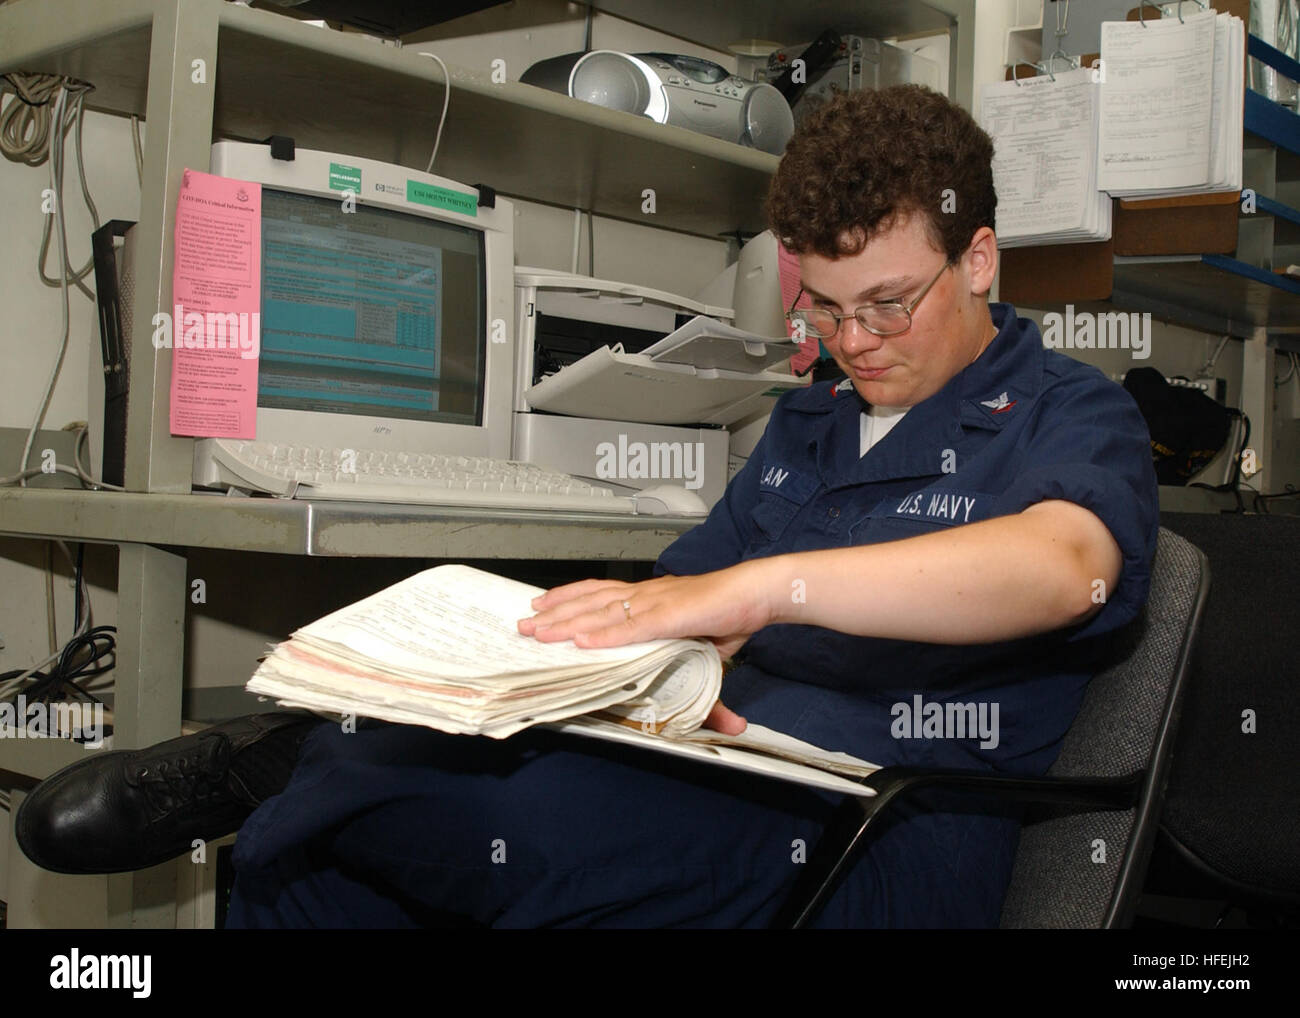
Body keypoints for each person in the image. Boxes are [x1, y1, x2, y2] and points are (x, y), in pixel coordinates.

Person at [17, 85, 1159, 927]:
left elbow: (1065, 568)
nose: (851, 342)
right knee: (298, 862)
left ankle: (278, 759)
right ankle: (300, 755)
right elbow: (682, 595)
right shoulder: (814, 419)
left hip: (876, 829)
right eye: (824, 307)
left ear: (979, 262)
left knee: (425, 823)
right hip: (714, 765)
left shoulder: (1070, 411)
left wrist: (764, 587)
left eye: (887, 305)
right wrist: (592, 637)